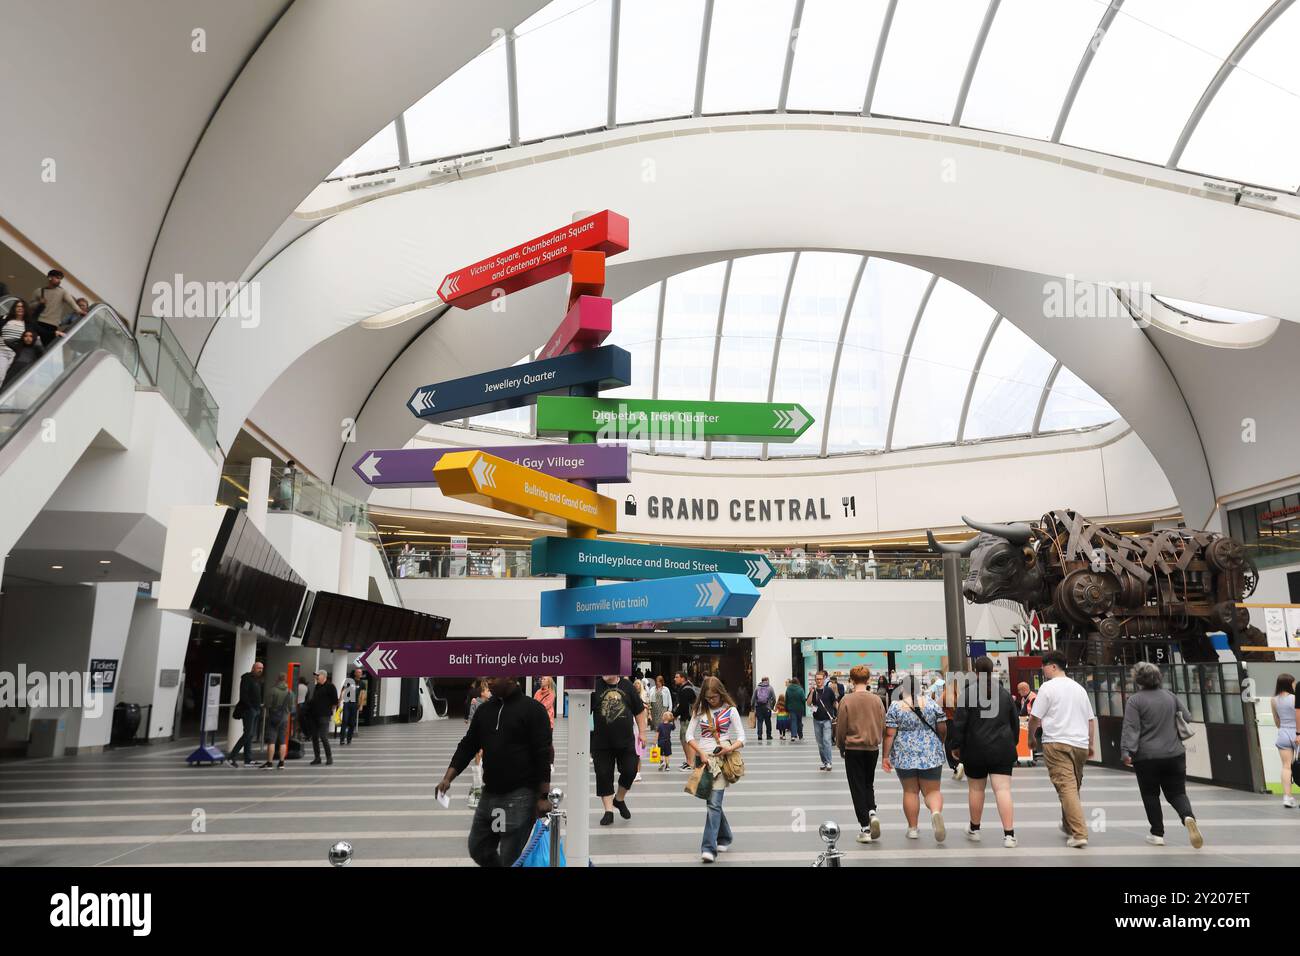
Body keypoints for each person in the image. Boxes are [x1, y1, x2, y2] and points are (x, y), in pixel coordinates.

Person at [437, 675, 552, 867]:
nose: (488, 682)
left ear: (511, 677)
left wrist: (543, 796)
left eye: (493, 677)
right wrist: (448, 777)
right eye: (487, 678)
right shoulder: (485, 710)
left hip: (520, 795)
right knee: (478, 847)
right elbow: (468, 745)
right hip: (490, 794)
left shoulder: (532, 709)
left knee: (511, 857)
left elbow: (543, 753)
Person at [1120, 661, 1203, 848]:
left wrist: (1126, 752)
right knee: (1177, 792)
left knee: (1150, 794)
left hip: (1146, 757)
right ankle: (1187, 816)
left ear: (1138, 679)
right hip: (1175, 754)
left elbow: (1131, 728)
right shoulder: (1170, 696)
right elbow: (1187, 717)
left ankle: (1157, 834)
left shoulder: (1135, 700)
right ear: (1159, 677)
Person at [1027, 649, 1096, 849]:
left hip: (1057, 743)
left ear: (1053, 666)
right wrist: (1090, 744)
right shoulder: (1079, 688)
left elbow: (1034, 718)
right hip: (1080, 744)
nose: (1043, 669)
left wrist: (1031, 738)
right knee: (1073, 787)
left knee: (1066, 787)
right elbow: (1090, 720)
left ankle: (1079, 832)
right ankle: (1068, 825)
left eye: (1044, 666)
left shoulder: (1048, 688)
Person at [949, 657, 1019, 847]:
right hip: (1002, 749)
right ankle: (1009, 835)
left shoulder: (968, 693)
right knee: (1003, 790)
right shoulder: (1004, 693)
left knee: (976, 789)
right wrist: (1013, 742)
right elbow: (1015, 721)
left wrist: (956, 745)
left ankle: (975, 829)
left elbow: (959, 723)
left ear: (975, 671)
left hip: (975, 749)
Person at [685, 676, 745, 863]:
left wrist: (730, 748)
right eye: (708, 697)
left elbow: (742, 737)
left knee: (713, 804)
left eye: (715, 697)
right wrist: (700, 752)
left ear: (721, 694)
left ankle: (708, 848)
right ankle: (725, 836)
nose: (712, 700)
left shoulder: (731, 710)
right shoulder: (699, 710)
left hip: (721, 760)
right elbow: (689, 735)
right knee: (713, 803)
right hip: (703, 760)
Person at [882, 674, 947, 842]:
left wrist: (885, 756)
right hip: (930, 751)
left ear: (902, 688)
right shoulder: (931, 703)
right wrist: (940, 742)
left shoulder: (896, 706)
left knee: (910, 791)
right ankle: (935, 813)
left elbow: (889, 734)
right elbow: (942, 726)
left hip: (905, 753)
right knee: (932, 791)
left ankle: (912, 829)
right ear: (920, 688)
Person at [835, 665, 886, 843]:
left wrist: (840, 745)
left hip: (853, 748)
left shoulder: (846, 700)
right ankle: (872, 811)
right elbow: (883, 722)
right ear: (869, 679)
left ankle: (865, 827)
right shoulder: (877, 700)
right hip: (872, 748)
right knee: (868, 783)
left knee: (856, 786)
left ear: (851, 680)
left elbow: (841, 726)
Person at [591, 675, 645, 824]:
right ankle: (608, 811)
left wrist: (642, 733)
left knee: (630, 770)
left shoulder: (627, 686)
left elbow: (639, 711)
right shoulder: (594, 687)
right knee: (603, 775)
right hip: (601, 743)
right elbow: (583, 712)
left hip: (626, 741)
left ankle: (619, 799)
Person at [31, 269, 86, 345]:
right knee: (32, 344)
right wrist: (39, 303)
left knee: (46, 348)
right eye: (57, 278)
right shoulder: (38, 291)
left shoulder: (63, 292)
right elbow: (30, 306)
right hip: (38, 322)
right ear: (50, 277)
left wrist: (80, 311)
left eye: (60, 279)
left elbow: (71, 302)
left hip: (52, 326)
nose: (59, 280)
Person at [227, 660, 264, 767]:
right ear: (253, 668)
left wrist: (258, 708)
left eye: (262, 668)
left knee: (250, 734)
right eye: (258, 668)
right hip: (249, 710)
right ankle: (231, 756)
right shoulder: (247, 678)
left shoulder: (257, 680)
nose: (260, 670)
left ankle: (248, 759)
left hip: (256, 709)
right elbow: (243, 695)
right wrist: (251, 707)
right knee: (247, 734)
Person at [1270, 673, 1296, 808]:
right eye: (1293, 683)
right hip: (1297, 733)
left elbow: (1276, 720)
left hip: (1283, 733)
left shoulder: (1273, 700)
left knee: (1286, 766)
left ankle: (1287, 797)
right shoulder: (1295, 698)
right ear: (1288, 683)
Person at [259, 672, 294, 769]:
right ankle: (281, 762)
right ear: (285, 679)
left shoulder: (272, 691)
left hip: (273, 718)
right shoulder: (290, 692)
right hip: (284, 718)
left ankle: (269, 763)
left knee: (272, 741)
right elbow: (291, 708)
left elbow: (267, 705)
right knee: (282, 741)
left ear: (278, 679)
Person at [305, 669, 339, 766]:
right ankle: (317, 758)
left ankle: (329, 757)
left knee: (323, 737)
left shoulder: (330, 686)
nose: (316, 677)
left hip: (324, 716)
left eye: (317, 675)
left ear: (324, 676)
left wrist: (329, 712)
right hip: (314, 715)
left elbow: (335, 702)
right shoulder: (317, 687)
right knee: (314, 737)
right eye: (316, 675)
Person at [808, 670, 839, 771]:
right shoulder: (813, 691)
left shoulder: (829, 690)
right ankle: (824, 761)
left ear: (824, 679)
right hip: (816, 719)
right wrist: (811, 692)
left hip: (827, 720)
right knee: (820, 743)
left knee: (826, 741)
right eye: (817, 679)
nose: (818, 681)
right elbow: (808, 703)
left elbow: (834, 702)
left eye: (820, 679)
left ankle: (829, 762)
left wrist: (839, 712)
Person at [672, 672, 698, 771]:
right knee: (684, 739)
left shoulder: (686, 690)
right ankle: (688, 761)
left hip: (688, 718)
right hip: (687, 717)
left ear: (683, 678)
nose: (675, 679)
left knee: (688, 740)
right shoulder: (685, 688)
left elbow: (683, 706)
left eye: (677, 677)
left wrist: (673, 715)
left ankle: (691, 763)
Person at [338, 666, 365, 745]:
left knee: (352, 723)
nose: (359, 674)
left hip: (355, 704)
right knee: (345, 721)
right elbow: (343, 690)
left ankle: (349, 739)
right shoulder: (349, 681)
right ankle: (342, 739)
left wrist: (361, 705)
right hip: (347, 703)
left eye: (360, 672)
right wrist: (339, 700)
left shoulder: (362, 683)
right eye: (358, 672)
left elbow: (363, 694)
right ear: (355, 673)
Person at [752, 676, 776, 741]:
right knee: (768, 721)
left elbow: (753, 698)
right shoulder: (770, 688)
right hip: (767, 707)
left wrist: (752, 706)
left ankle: (759, 735)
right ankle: (768, 735)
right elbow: (774, 698)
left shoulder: (757, 688)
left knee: (760, 721)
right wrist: (772, 706)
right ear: (767, 680)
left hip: (759, 707)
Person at [785, 677, 806, 742]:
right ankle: (800, 736)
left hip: (791, 708)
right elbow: (803, 699)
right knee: (799, 722)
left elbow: (786, 699)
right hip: (799, 708)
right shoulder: (800, 689)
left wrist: (786, 707)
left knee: (793, 721)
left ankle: (793, 736)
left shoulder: (788, 689)